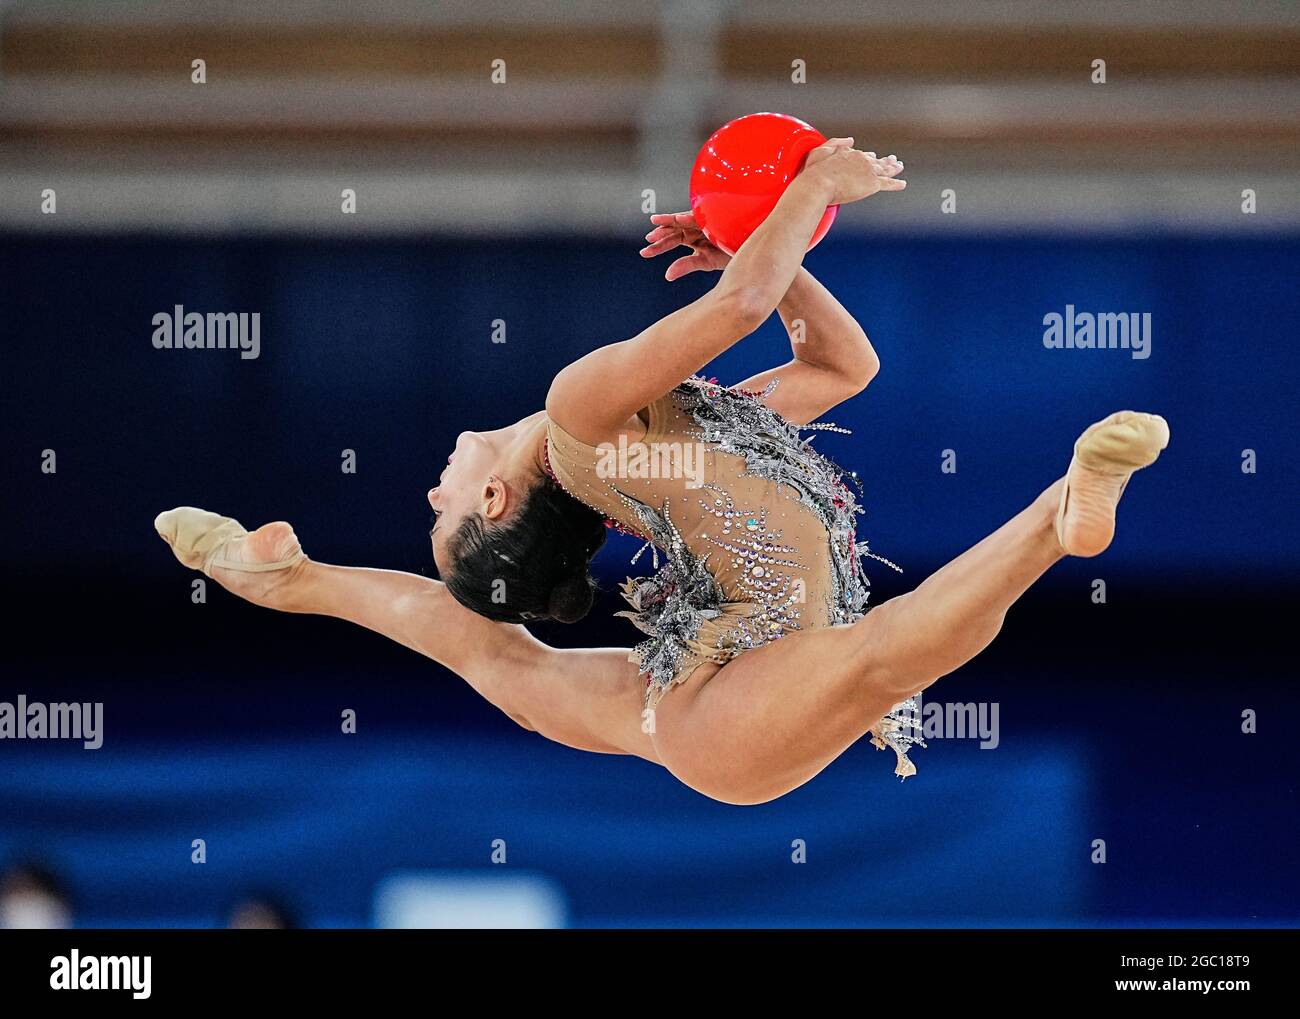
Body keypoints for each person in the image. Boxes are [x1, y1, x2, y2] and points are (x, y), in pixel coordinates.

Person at [155, 139, 1168, 804]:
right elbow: (735, 307)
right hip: (726, 711)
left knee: (508, 666)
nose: (431, 487)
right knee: (880, 658)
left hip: (689, 690)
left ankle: (294, 582)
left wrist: (763, 237)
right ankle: (1055, 515)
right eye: (443, 509)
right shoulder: (578, 411)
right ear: (499, 499)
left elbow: (842, 365)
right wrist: (806, 189)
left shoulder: (665, 448)